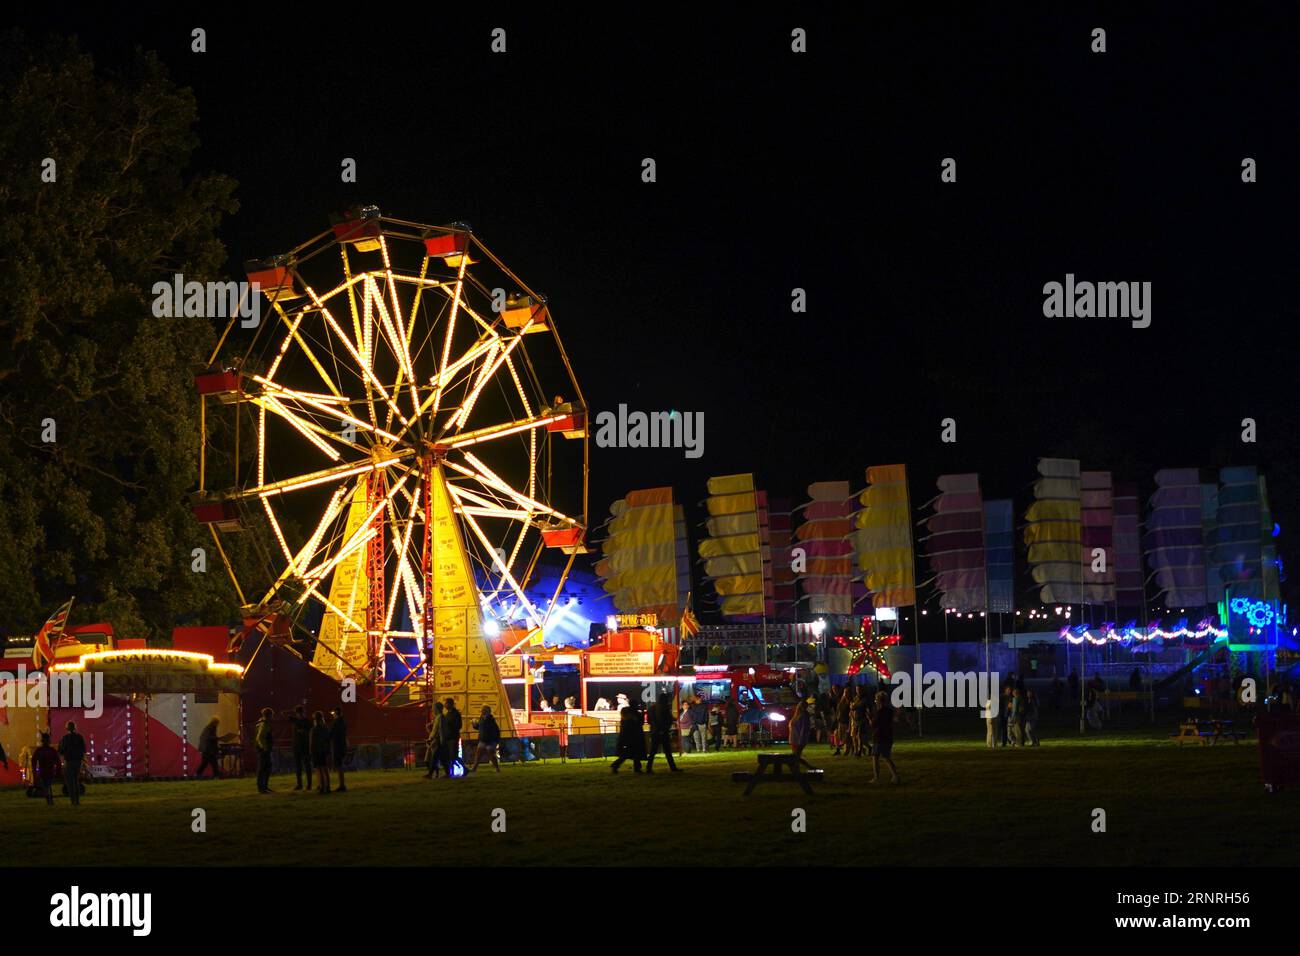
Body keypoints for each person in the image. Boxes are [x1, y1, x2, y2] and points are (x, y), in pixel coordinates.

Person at [868, 692, 900, 784]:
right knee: (885, 756)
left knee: (877, 757)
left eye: (876, 700)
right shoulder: (889, 711)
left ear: (879, 701)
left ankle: (878, 777)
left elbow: (874, 724)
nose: (875, 702)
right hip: (888, 736)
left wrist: (870, 718)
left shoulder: (879, 712)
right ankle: (895, 776)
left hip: (879, 736)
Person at [646, 694, 682, 773]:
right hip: (663, 732)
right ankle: (673, 767)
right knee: (668, 752)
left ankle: (648, 767)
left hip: (655, 732)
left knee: (653, 751)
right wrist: (664, 729)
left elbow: (648, 721)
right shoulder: (665, 708)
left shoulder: (651, 708)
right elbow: (668, 720)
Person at [283, 704, 313, 791]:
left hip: (304, 746)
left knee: (306, 766)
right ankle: (300, 785)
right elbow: (283, 714)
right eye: (298, 713)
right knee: (299, 767)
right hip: (297, 746)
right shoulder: (296, 720)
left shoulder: (307, 722)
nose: (299, 714)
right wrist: (292, 711)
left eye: (299, 713)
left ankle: (308, 785)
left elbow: (310, 733)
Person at [57, 721, 87, 805]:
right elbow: (84, 749)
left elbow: (61, 750)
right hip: (78, 762)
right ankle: (77, 800)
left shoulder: (65, 738)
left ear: (67, 728)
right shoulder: (80, 737)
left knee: (70, 782)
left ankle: (72, 800)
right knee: (76, 780)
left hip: (69, 762)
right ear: (75, 727)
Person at [610, 704, 645, 773]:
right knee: (630, 753)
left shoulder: (626, 717)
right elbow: (638, 724)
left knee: (630, 753)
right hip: (632, 737)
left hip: (627, 738)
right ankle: (616, 765)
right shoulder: (631, 716)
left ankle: (617, 765)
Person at [32, 733, 61, 806]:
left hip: (45, 771)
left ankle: (49, 799)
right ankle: (50, 799)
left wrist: (34, 771)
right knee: (48, 785)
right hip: (48, 771)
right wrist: (58, 770)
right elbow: (57, 761)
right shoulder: (51, 750)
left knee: (46, 786)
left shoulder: (40, 750)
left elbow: (34, 761)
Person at [471, 706, 501, 772]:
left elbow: (495, 730)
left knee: (491, 754)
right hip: (483, 739)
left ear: (486, 711)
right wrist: (474, 725)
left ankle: (497, 768)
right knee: (478, 754)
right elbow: (480, 727)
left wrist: (496, 740)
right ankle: (474, 768)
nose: (481, 711)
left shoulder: (490, 719)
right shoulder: (482, 718)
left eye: (483, 710)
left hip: (490, 740)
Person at [310, 711, 331, 794]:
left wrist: (311, 752)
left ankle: (322, 787)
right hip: (324, 751)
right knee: (325, 769)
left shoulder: (314, 729)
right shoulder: (325, 728)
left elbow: (312, 743)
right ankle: (328, 787)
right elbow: (328, 741)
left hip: (316, 751)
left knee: (319, 769)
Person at [441, 698, 464, 777]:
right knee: (451, 756)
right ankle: (451, 772)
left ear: (450, 704)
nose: (445, 705)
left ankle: (451, 772)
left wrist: (450, 725)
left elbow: (459, 725)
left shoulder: (455, 714)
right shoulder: (448, 713)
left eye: (446, 703)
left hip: (453, 737)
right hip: (448, 737)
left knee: (453, 756)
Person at [254, 707, 275, 793]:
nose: (272, 717)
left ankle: (264, 787)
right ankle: (262, 788)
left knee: (266, 767)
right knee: (263, 768)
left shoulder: (261, 722)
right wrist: (264, 747)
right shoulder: (264, 724)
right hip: (264, 749)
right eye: (272, 715)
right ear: (269, 715)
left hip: (262, 749)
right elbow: (260, 738)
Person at [330, 708, 349, 792]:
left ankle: (342, 785)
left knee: (339, 765)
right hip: (342, 745)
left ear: (336, 714)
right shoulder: (343, 722)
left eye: (333, 713)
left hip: (337, 746)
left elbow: (331, 734)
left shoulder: (336, 722)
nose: (333, 715)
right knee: (340, 765)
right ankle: (342, 784)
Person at [424, 702, 444, 779]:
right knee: (435, 759)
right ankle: (433, 773)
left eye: (433, 708)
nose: (432, 710)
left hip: (436, 741)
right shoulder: (437, 718)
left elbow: (439, 730)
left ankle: (431, 774)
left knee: (433, 758)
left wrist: (434, 739)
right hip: (433, 740)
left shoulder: (440, 718)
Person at [834, 685, 852, 756]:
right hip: (841, 721)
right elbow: (839, 710)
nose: (845, 694)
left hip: (847, 721)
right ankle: (838, 749)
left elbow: (850, 712)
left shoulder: (850, 701)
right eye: (845, 692)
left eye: (847, 692)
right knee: (837, 735)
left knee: (847, 737)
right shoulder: (842, 701)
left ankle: (847, 750)